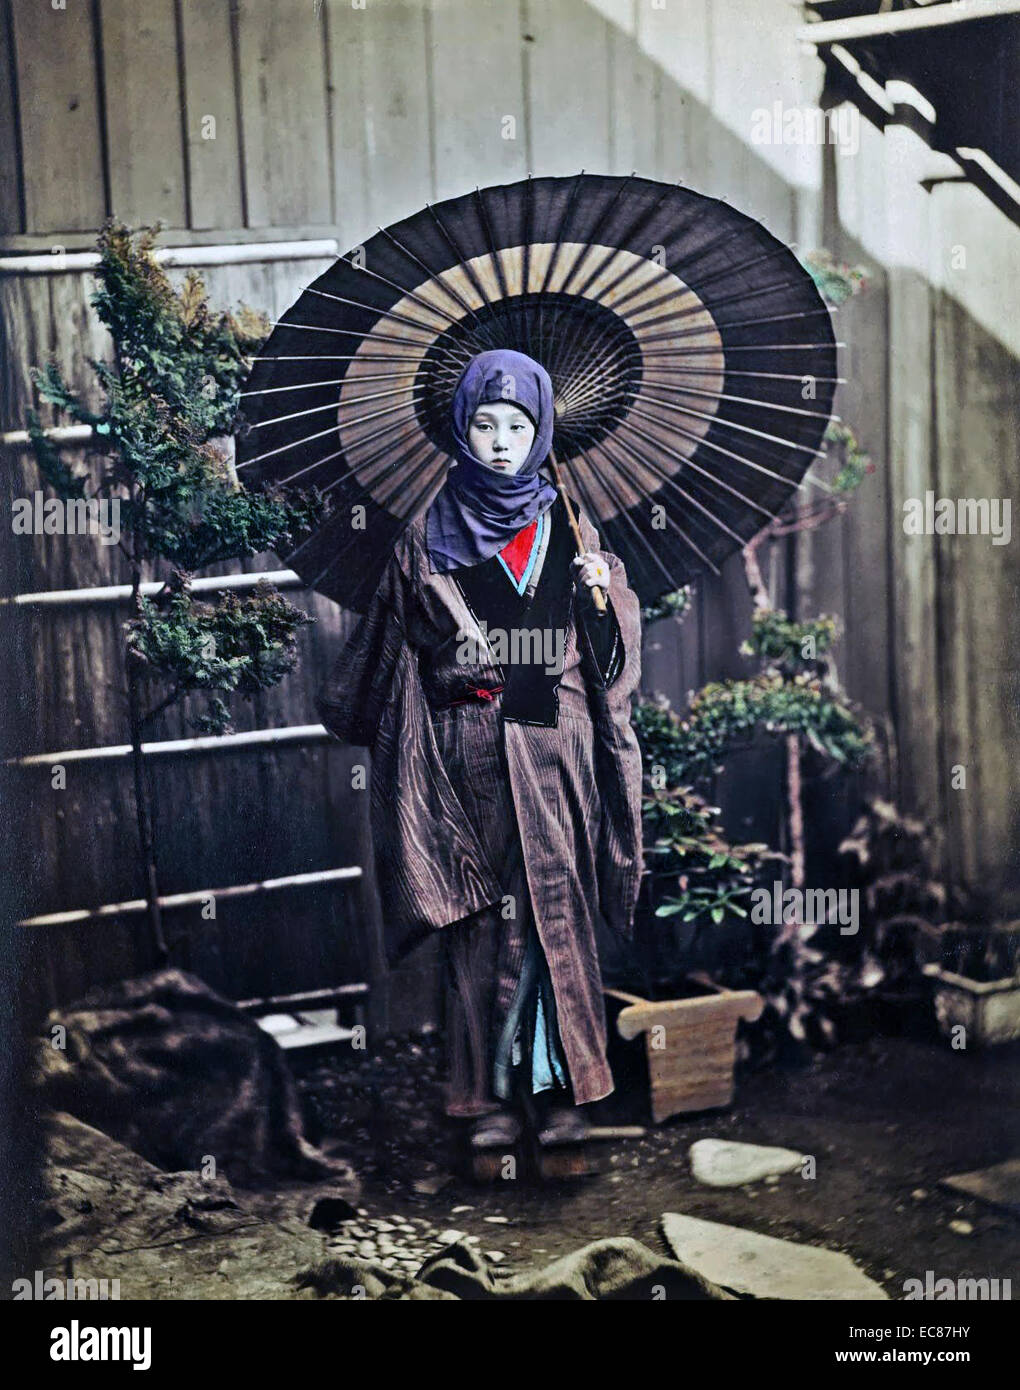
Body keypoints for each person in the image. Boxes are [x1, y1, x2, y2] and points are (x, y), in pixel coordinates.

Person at [318, 348, 644, 1151]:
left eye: (519, 425)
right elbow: (386, 662)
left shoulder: (568, 524)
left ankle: (559, 1095)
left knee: (551, 916)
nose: (501, 441)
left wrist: (602, 598)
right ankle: (488, 1101)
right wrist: (461, 657)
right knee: (477, 926)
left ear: (541, 433)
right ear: (463, 430)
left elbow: (606, 660)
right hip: (468, 751)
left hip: (554, 746)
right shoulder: (425, 534)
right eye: (485, 424)